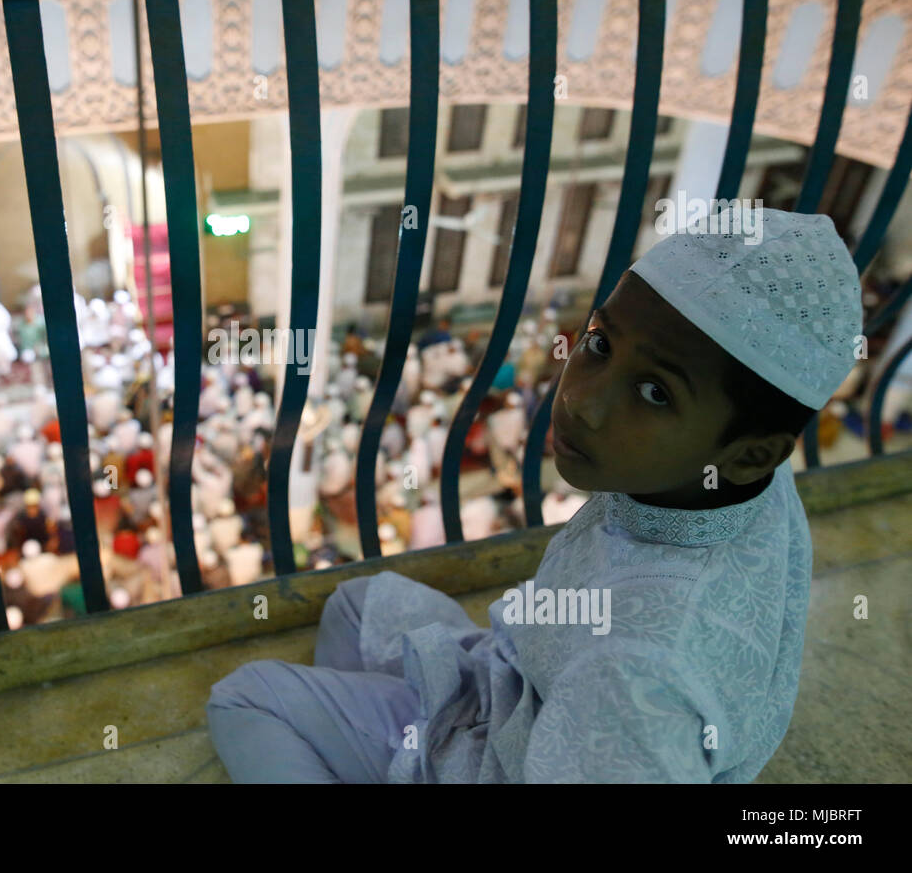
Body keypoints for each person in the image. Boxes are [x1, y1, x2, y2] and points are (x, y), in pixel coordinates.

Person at [206, 209, 860, 782]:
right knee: (357, 603)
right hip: (519, 693)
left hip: (509, 759)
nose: (580, 400)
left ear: (749, 453)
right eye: (600, 344)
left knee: (247, 699)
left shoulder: (636, 676)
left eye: (656, 392)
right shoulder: (734, 483)